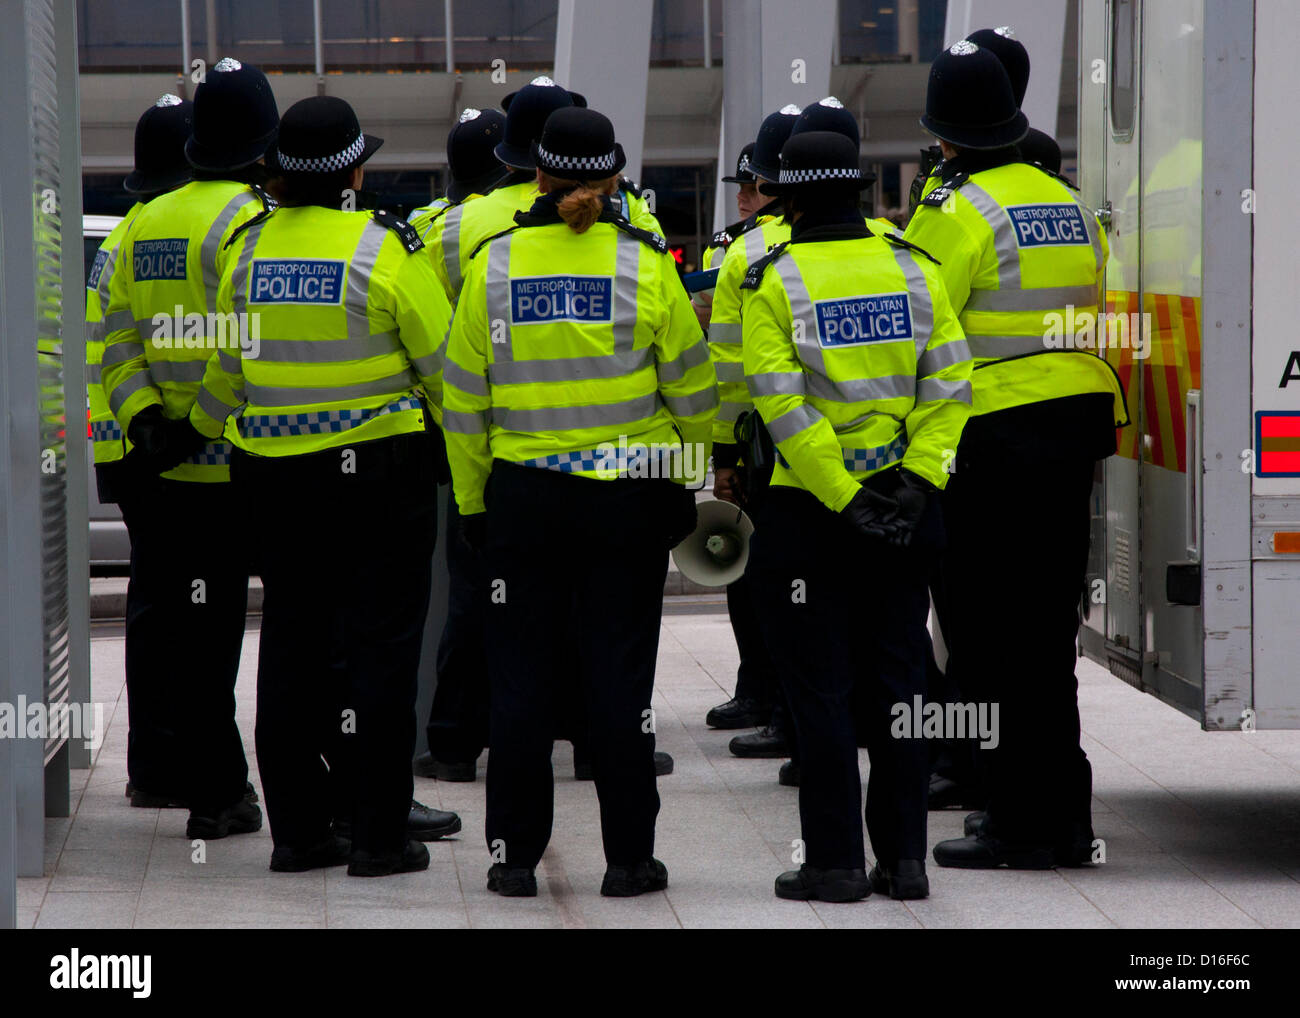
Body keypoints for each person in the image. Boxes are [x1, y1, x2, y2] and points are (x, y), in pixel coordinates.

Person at [443, 107, 717, 897]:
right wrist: (683, 477)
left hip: (524, 503)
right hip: (625, 504)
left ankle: (514, 861)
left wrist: (472, 505)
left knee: (520, 682)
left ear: (535, 173)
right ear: (614, 178)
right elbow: (692, 390)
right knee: (620, 683)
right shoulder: (646, 264)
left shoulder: (494, 265)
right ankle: (630, 859)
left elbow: (466, 403)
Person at [188, 95, 459, 876]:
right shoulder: (385, 249)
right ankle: (378, 838)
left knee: (291, 648)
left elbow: (224, 375)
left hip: (274, 484)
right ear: (353, 169)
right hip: (381, 481)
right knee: (381, 655)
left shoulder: (247, 252)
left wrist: (194, 433)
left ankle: (299, 835)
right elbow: (443, 369)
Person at [903, 41, 1126, 869]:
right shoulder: (1066, 202)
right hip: (1073, 434)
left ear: (944, 132)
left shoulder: (953, 209)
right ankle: (1063, 818)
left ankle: (1018, 823)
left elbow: (918, 322)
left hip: (988, 440)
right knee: (1044, 634)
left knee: (989, 638)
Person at [740, 130, 971, 903]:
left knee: (821, 692)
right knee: (902, 689)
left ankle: (834, 865)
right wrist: (914, 480)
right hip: (903, 515)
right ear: (865, 189)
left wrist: (845, 498)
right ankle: (906, 862)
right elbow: (949, 385)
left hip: (815, 517)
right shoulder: (913, 268)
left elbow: (784, 409)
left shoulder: (776, 281)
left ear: (788, 197)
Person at [101, 57, 278, 840]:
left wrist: (145, 421)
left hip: (153, 469)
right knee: (211, 638)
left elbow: (113, 335)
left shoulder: (143, 224)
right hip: (222, 469)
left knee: (167, 621)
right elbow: (245, 346)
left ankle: (167, 771)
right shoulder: (247, 221)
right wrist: (198, 425)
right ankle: (218, 794)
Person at [86, 93, 201, 809]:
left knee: (155, 604)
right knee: (193, 612)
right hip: (181, 450)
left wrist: (141, 417)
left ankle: (153, 767)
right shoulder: (196, 231)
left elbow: (114, 344)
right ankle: (181, 768)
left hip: (125, 442)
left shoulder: (126, 236)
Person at [408, 106, 510, 784]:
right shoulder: (558, 220)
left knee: (469, 596)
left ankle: (450, 744)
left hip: (458, 437)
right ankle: (583, 735)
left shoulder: (424, 229)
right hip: (555, 441)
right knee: (564, 601)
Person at [703, 105, 801, 761]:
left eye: (756, 187)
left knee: (775, 585)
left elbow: (727, 370)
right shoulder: (731, 249)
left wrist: (724, 454)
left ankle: (781, 706)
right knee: (758, 581)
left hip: (769, 447)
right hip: (774, 446)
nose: (745, 199)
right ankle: (761, 691)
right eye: (741, 188)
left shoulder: (747, 255)